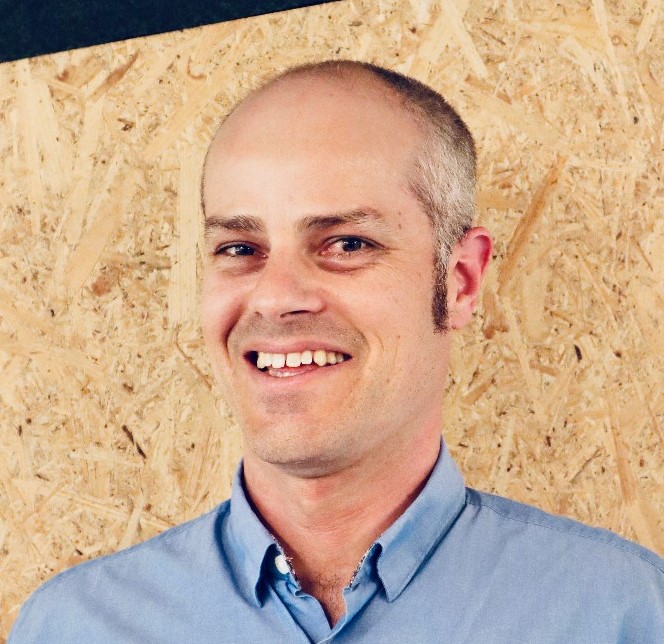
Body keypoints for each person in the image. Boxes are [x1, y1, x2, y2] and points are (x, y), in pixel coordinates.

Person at [9, 60, 664, 643]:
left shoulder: (622, 615)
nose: (276, 297)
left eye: (347, 244)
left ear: (461, 281)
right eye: (240, 248)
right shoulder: (73, 629)